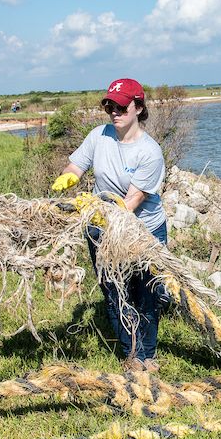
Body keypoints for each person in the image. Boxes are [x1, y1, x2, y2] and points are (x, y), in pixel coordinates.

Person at [51, 78, 166, 371]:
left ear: (138, 107)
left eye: (121, 106)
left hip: (144, 230)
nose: (114, 111)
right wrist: (70, 176)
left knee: (146, 293)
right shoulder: (98, 136)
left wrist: (101, 212)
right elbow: (77, 164)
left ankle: (148, 353)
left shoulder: (149, 152)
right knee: (115, 290)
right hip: (102, 227)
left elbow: (131, 203)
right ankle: (131, 354)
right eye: (109, 106)